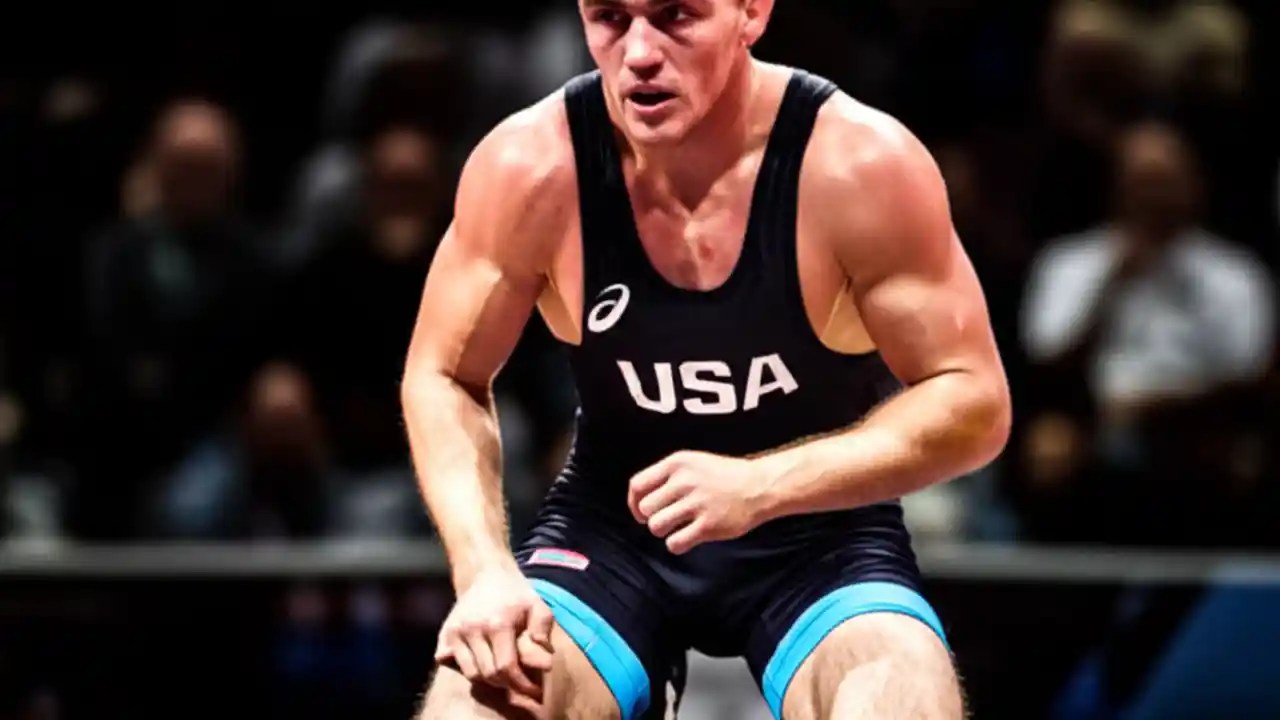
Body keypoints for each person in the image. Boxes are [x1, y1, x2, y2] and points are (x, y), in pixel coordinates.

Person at [400, 1, 1010, 718]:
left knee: (904, 702)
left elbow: (973, 399)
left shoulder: (855, 164)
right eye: (610, 19)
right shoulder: (532, 166)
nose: (639, 53)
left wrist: (762, 485)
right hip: (612, 535)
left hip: (817, 533)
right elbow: (443, 374)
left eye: (675, 16)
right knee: (472, 704)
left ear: (752, 12)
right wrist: (483, 573)